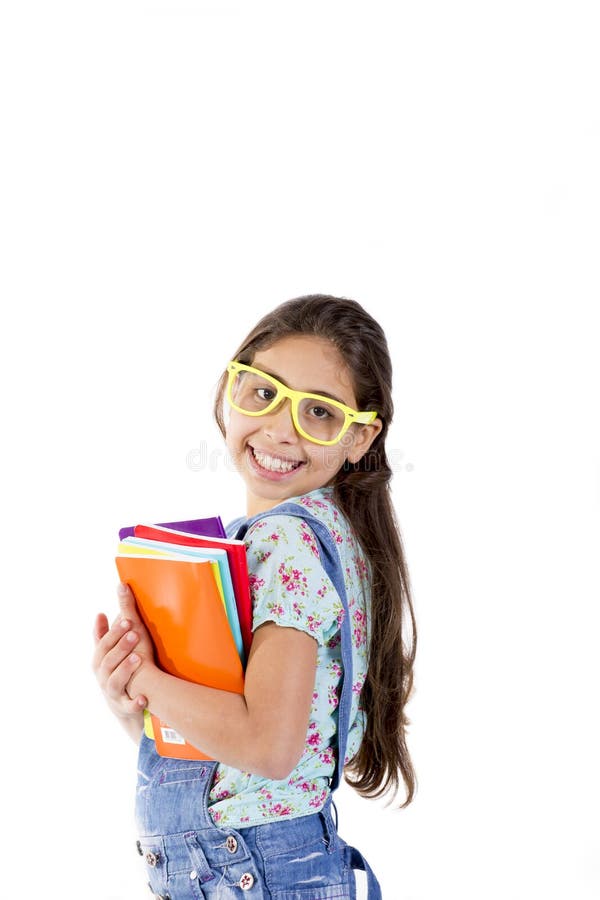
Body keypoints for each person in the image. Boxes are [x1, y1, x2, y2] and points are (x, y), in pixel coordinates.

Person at [92, 294, 417, 899]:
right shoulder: (321, 533)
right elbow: (230, 764)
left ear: (360, 437)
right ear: (230, 390)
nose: (279, 429)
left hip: (249, 870)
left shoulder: (285, 543)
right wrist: (132, 706)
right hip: (252, 865)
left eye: (319, 413)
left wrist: (148, 681)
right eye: (262, 393)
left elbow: (267, 747)